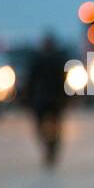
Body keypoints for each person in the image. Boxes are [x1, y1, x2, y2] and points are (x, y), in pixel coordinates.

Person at [21, 32, 71, 168]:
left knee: (55, 127)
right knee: (41, 128)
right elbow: (30, 81)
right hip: (43, 99)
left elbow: (64, 80)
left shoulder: (57, 59)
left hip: (52, 99)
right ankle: (49, 148)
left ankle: (52, 148)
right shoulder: (38, 60)